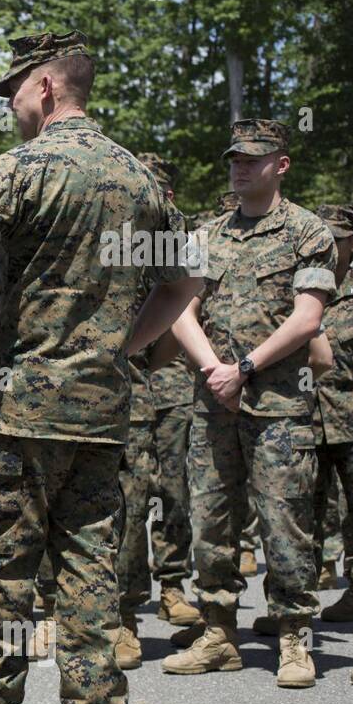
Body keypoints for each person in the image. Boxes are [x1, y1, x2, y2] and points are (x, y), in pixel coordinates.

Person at [0, 31, 201, 704]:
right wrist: (125, 346)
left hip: (20, 409)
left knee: (4, 565)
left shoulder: (19, 170)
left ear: (46, 86)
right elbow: (183, 286)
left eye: (14, 90)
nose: (9, 105)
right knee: (89, 563)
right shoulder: (141, 180)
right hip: (102, 412)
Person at [164, 119, 336, 689]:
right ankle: (218, 634)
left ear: (280, 165)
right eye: (233, 160)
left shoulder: (308, 232)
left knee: (286, 524)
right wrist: (215, 368)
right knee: (210, 521)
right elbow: (180, 308)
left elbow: (307, 318)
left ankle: (293, 638)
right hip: (214, 400)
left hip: (280, 408)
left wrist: (245, 368)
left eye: (252, 160)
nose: (240, 168)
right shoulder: (204, 236)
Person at [137, 156, 202, 631]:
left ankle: (174, 585)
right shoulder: (117, 246)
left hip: (171, 385)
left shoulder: (182, 246)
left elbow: (183, 319)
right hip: (124, 388)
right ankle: (125, 607)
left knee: (172, 491)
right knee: (127, 495)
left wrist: (145, 360)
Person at [307, 204, 353, 624]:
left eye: (337, 239)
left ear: (352, 244)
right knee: (300, 513)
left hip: (352, 422)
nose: (329, 245)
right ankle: (293, 607)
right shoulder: (301, 286)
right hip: (305, 419)